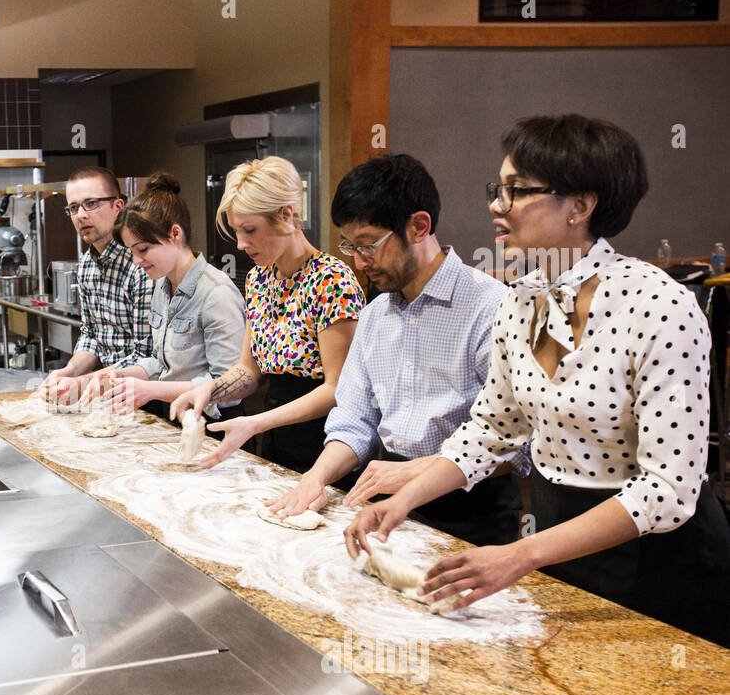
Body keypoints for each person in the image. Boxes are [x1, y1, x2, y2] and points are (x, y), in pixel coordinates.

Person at [345, 113, 730, 647]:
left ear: (581, 205)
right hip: (555, 531)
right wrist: (405, 497)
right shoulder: (520, 301)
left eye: (518, 190)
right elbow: (491, 431)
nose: (496, 205)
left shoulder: (659, 306)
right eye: (497, 190)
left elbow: (670, 489)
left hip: (657, 556)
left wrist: (523, 553)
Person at [266, 154, 524, 546]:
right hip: (383, 495)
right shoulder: (374, 316)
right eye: (349, 246)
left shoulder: (492, 308)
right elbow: (354, 419)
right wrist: (315, 479)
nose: (357, 261)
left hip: (470, 511)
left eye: (368, 245)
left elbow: (517, 443)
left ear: (419, 227)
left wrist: (419, 471)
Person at [170, 156, 364, 473]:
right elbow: (249, 371)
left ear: (286, 215)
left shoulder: (332, 281)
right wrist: (209, 390)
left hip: (326, 443)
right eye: (236, 231)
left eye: (250, 230)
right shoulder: (259, 279)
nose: (241, 243)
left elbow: (337, 389)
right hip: (273, 437)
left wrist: (257, 422)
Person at [76, 171, 246, 424]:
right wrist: (115, 376)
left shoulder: (216, 292)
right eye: (132, 252)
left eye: (143, 249)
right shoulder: (163, 286)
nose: (136, 261)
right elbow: (160, 363)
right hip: (175, 417)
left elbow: (230, 389)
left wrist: (150, 390)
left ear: (175, 234)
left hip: (214, 425)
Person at [40, 166, 153, 403]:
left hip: (145, 395)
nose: (81, 215)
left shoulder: (141, 266)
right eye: (73, 207)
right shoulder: (86, 265)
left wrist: (83, 383)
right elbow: (91, 334)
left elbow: (146, 355)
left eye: (91, 203)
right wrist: (70, 371)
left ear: (118, 206)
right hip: (107, 390)